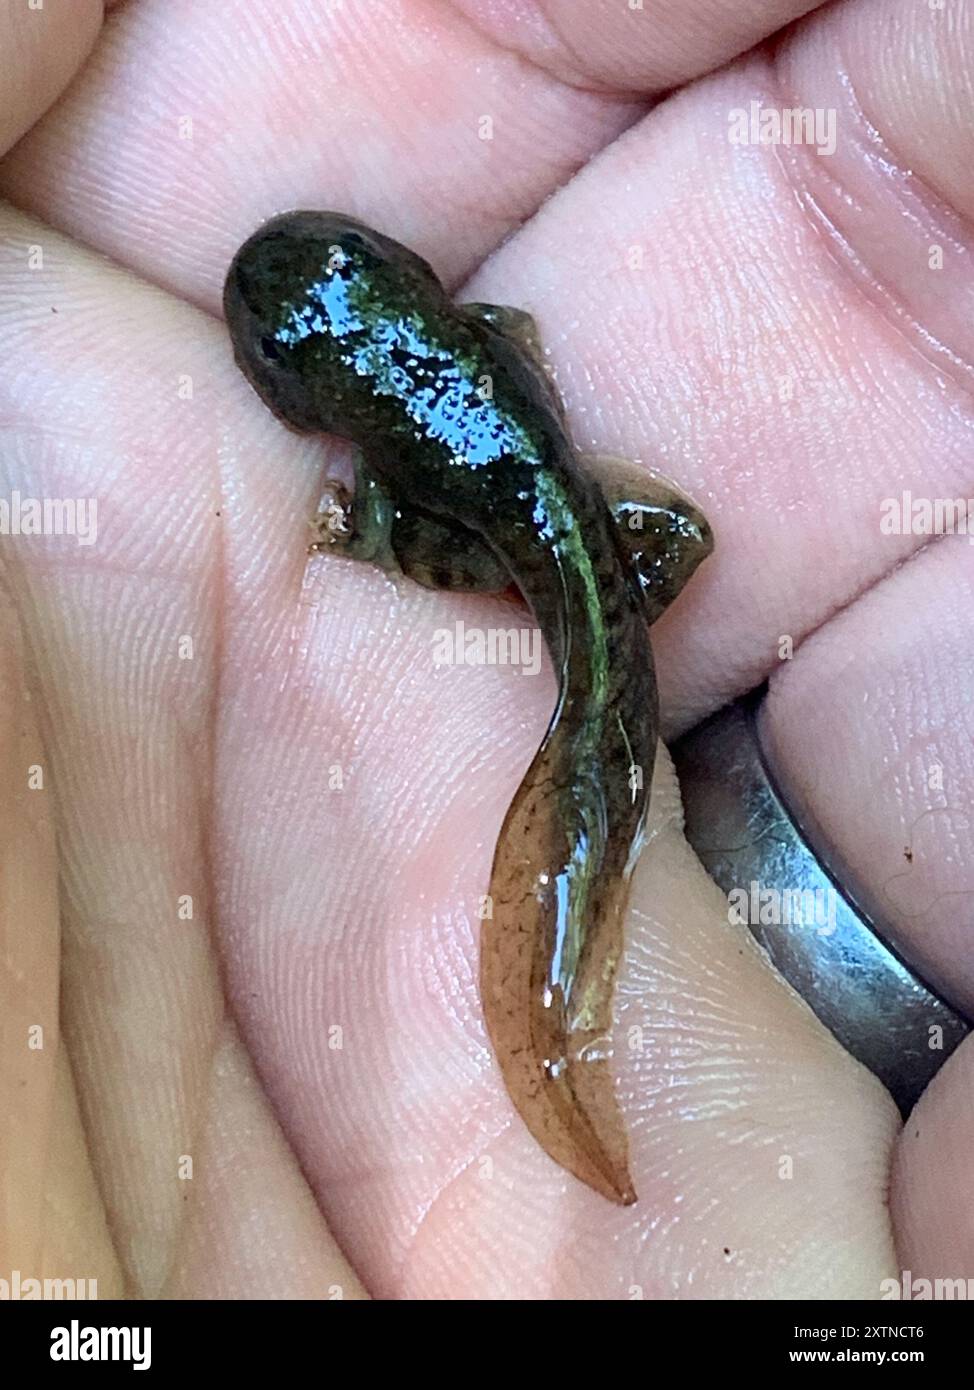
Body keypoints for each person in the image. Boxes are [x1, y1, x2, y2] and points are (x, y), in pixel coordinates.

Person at [0, 0, 970, 1300]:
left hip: (510, 510)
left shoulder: (397, 445)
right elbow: (510, 338)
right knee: (654, 544)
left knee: (513, 573)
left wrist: (379, 538)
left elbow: (459, 418)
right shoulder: (478, 332)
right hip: (542, 508)